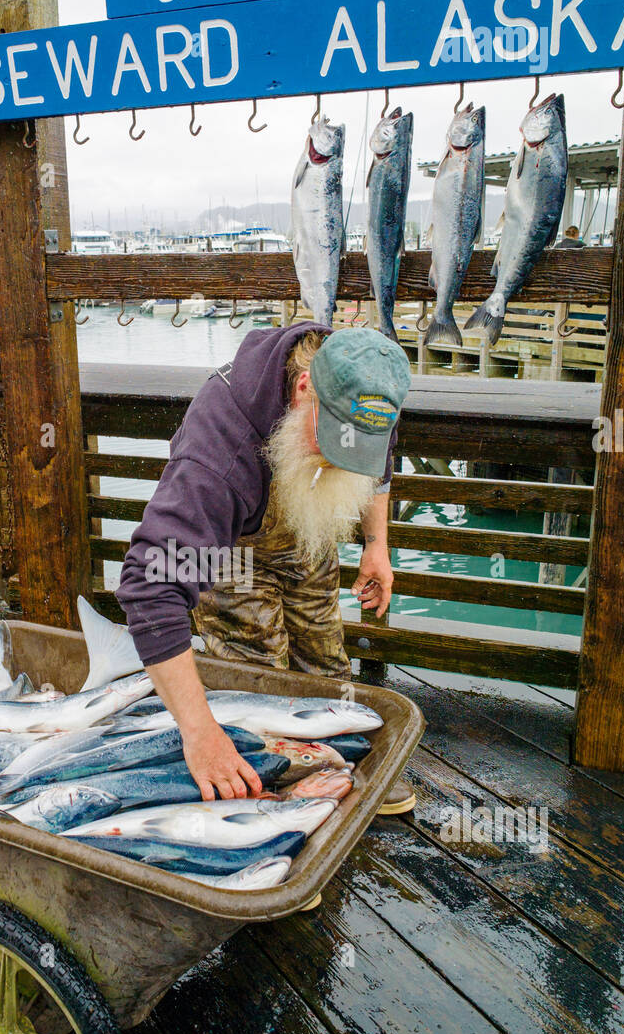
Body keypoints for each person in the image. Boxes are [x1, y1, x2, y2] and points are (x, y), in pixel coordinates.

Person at [117, 324, 415, 810]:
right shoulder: (221, 450)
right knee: (256, 685)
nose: (346, 462)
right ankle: (273, 805)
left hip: (309, 530)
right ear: (304, 391)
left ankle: (340, 769)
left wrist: (376, 545)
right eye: (336, 444)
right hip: (230, 551)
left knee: (325, 665)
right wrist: (200, 733)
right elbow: (151, 588)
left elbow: (379, 466)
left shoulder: (366, 382)